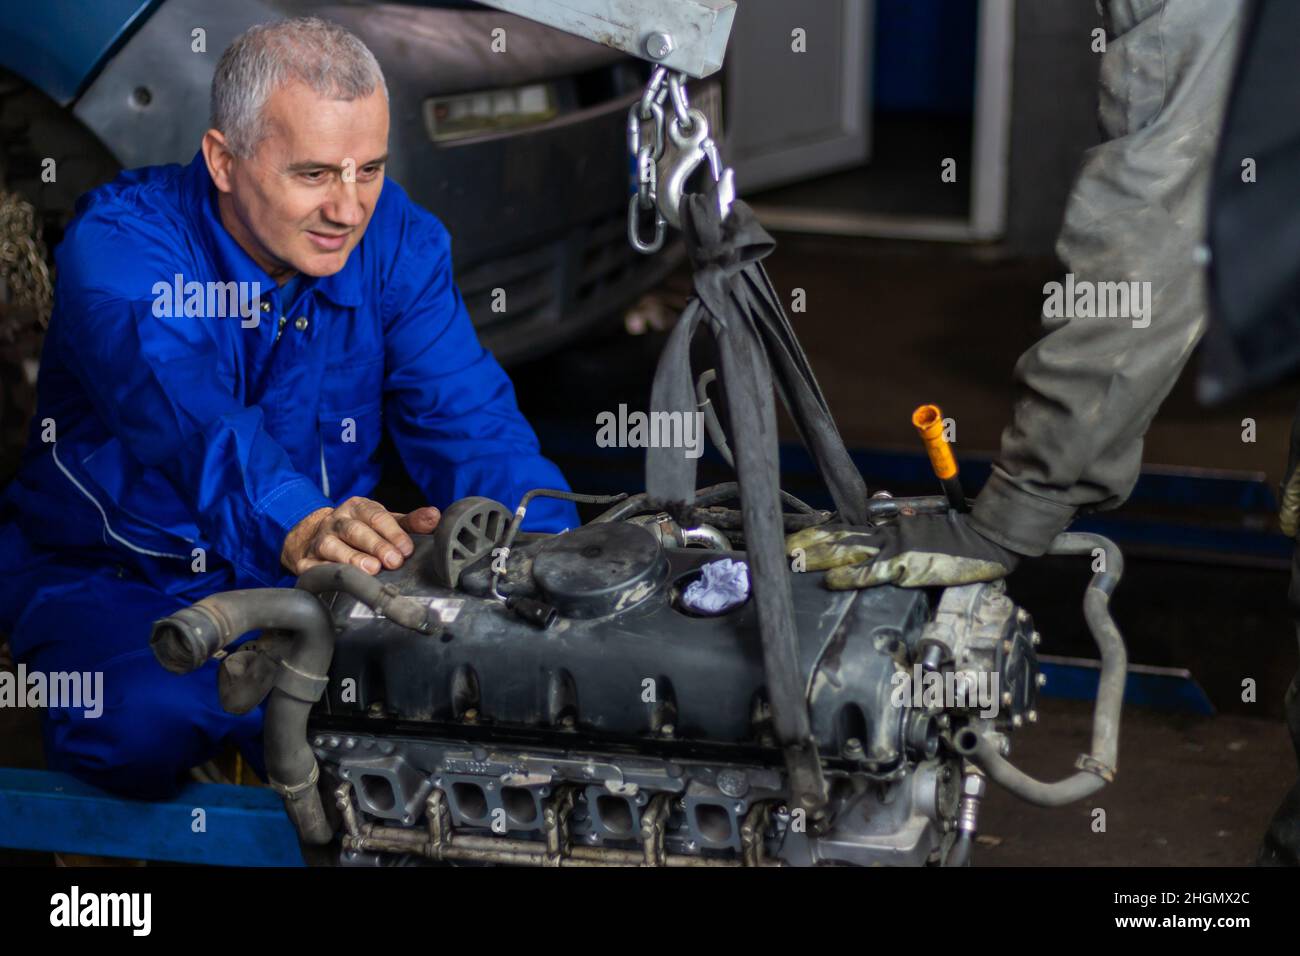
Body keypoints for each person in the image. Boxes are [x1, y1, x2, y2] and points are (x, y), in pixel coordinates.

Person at [0, 17, 577, 798]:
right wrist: (300, 520)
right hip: (120, 575)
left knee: (461, 692)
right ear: (224, 160)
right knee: (142, 720)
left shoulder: (396, 239)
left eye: (368, 168)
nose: (349, 208)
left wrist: (553, 567)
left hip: (317, 582)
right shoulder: (124, 246)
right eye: (313, 175)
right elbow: (188, 414)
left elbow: (466, 417)